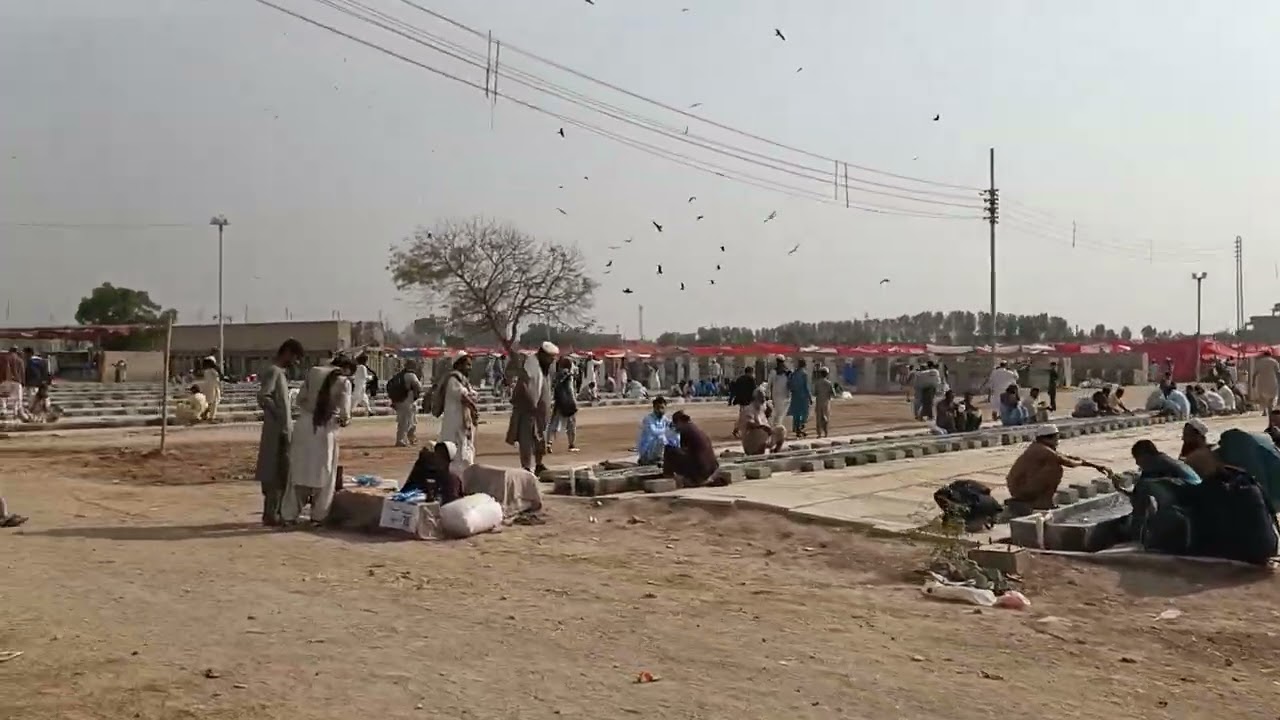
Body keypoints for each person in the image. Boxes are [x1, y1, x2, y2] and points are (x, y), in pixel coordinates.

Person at [281, 354, 355, 525]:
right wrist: (343, 420)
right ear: (347, 369)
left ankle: (289, 515)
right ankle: (318, 516)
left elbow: (300, 400)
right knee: (325, 475)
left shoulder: (313, 372)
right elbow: (345, 414)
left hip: (304, 426)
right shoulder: (344, 382)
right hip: (325, 429)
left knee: (298, 472)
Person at [255, 338, 303, 526]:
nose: (296, 363)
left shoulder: (280, 373)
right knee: (276, 473)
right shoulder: (274, 371)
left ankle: (275, 512)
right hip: (277, 432)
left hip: (282, 429)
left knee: (282, 473)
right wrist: (280, 417)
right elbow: (263, 396)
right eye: (296, 358)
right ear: (288, 353)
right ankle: (271, 514)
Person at [1006, 425, 1111, 509]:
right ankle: (1044, 503)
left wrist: (1096, 466)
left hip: (1019, 487)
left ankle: (1039, 499)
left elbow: (1070, 458)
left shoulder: (1042, 447)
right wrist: (1081, 463)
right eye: (1056, 438)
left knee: (1052, 467)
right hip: (1020, 489)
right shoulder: (1043, 450)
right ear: (1049, 438)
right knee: (1055, 469)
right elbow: (1070, 463)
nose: (1058, 441)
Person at [507, 342, 557, 475]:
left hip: (540, 412)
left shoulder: (544, 368)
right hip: (528, 410)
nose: (552, 361)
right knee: (526, 440)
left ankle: (539, 464)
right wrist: (530, 403)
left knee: (540, 438)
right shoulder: (530, 365)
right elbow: (524, 386)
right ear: (543, 355)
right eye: (550, 358)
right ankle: (527, 468)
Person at [438, 353, 479, 473]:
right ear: (458, 365)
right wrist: (473, 407)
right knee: (456, 452)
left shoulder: (463, 381)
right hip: (455, 422)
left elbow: (473, 395)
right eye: (467, 365)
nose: (470, 368)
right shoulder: (453, 380)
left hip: (464, 422)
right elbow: (463, 396)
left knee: (466, 449)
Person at [661, 410, 720, 486]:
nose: (675, 427)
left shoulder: (685, 430)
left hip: (701, 472)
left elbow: (684, 452)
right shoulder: (694, 428)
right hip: (712, 469)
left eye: (675, 424)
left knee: (668, 450)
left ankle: (668, 478)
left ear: (679, 422)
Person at [401, 441, 465, 506]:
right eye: (438, 452)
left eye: (441, 453)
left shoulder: (451, 478)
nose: (438, 456)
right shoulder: (424, 471)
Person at [545, 356, 580, 455]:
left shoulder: (560, 374)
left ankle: (549, 443)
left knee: (555, 424)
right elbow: (562, 379)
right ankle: (571, 444)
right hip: (568, 401)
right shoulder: (565, 373)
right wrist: (569, 374)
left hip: (562, 401)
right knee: (570, 425)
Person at [1130, 439, 1203, 486]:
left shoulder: (1160, 464)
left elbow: (1144, 483)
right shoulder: (1160, 460)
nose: (1137, 463)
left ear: (1146, 456)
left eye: (1138, 458)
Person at [388, 360, 424, 447]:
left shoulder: (399, 375)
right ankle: (400, 440)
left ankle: (411, 438)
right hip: (407, 401)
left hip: (400, 401)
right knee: (406, 422)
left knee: (411, 421)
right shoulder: (411, 375)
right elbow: (418, 387)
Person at [742, 387, 786, 455]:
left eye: (764, 397)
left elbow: (768, 415)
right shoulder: (749, 409)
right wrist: (762, 427)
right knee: (760, 432)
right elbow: (749, 423)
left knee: (781, 430)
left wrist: (769, 411)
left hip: (764, 439)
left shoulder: (761, 407)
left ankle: (775, 452)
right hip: (752, 443)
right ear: (755, 398)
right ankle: (758, 453)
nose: (763, 399)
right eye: (761, 397)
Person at [636, 396, 674, 465]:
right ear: (654, 408)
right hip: (646, 451)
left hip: (655, 449)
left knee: (674, 435)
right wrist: (667, 430)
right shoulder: (648, 419)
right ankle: (652, 460)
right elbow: (654, 432)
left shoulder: (664, 418)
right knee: (661, 438)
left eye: (662, 408)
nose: (660, 410)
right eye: (657, 408)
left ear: (665, 408)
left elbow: (672, 425)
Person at [728, 366, 757, 439]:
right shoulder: (751, 379)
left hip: (741, 401)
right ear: (751, 372)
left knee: (743, 416)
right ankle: (740, 430)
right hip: (748, 401)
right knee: (746, 417)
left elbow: (734, 390)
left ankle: (738, 430)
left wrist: (731, 400)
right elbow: (754, 390)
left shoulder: (739, 379)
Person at [787, 359, 813, 437]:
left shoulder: (793, 374)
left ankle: (797, 429)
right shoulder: (804, 374)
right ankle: (800, 428)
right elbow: (806, 387)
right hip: (803, 396)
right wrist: (810, 397)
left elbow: (789, 384)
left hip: (795, 396)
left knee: (796, 414)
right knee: (804, 413)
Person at [770, 357, 791, 435]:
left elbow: (790, 383)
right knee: (778, 412)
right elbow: (770, 384)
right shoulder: (774, 372)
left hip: (786, 395)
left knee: (782, 413)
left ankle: (777, 428)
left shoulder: (787, 372)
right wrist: (769, 395)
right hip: (777, 395)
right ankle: (776, 428)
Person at [813, 367, 835, 438]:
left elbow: (815, 393)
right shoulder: (829, 383)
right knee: (826, 418)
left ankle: (819, 434)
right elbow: (833, 393)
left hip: (819, 402)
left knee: (819, 418)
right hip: (826, 402)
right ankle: (826, 433)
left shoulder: (817, 383)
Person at [198, 356, 222, 421]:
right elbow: (217, 379)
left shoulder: (206, 371)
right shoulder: (212, 371)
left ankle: (205, 414)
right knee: (214, 402)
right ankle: (211, 417)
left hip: (209, 387)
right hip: (213, 388)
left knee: (210, 402)